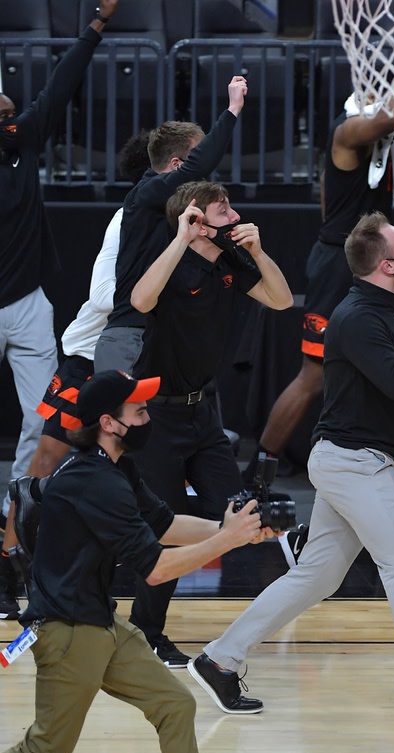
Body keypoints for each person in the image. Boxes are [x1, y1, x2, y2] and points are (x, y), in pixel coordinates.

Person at [187, 212, 394, 731]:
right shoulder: (359, 317)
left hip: (355, 462)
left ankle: (218, 659)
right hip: (352, 463)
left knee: (315, 576)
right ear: (387, 265)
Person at [0, 370, 274, 753]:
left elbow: (165, 526)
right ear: (109, 423)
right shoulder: (94, 481)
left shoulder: (116, 468)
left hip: (101, 621)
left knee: (175, 706)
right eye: (141, 412)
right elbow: (157, 569)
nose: (150, 420)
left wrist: (235, 530)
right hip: (69, 633)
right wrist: (225, 542)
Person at [125, 181, 294, 667]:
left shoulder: (231, 261)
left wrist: (260, 253)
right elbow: (140, 300)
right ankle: (145, 631)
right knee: (166, 525)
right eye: (225, 210)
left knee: (237, 513)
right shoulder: (169, 259)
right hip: (155, 414)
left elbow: (281, 300)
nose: (236, 215)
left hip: (202, 414)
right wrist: (181, 239)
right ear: (196, 220)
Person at [1, 131, 152, 619]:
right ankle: (6, 565)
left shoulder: (186, 225)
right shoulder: (128, 219)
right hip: (89, 357)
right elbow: (107, 297)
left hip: (137, 365)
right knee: (47, 461)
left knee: (122, 478)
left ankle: (88, 581)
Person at [0, 1, 121, 612]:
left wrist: (95, 25)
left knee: (38, 419)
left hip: (26, 304)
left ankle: (15, 521)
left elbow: (61, 83)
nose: (7, 103)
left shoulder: (20, 142)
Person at [247, 89, 394, 481]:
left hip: (368, 263)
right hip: (340, 265)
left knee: (379, 368)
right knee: (315, 374)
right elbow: (391, 118)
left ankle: (373, 464)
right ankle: (259, 471)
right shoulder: (344, 135)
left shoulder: (378, 147)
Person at [95, 79, 247, 373]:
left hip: (165, 336)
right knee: (121, 420)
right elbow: (198, 167)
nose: (205, 171)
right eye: (197, 156)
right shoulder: (146, 193)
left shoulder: (182, 208)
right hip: (131, 337)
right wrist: (233, 109)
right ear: (176, 164)